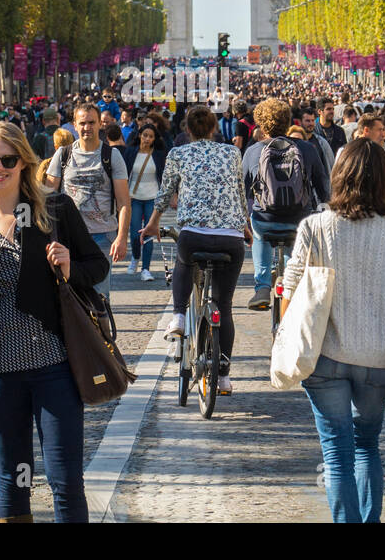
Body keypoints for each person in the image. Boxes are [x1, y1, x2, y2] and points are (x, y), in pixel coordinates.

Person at [0, 122, 109, 523]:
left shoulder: (53, 211)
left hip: (55, 368)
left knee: (65, 480)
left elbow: (98, 265)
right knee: (14, 480)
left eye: (7, 160)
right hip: (0, 377)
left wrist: (70, 268)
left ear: (23, 162)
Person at [284, 138, 385, 522]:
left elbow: (289, 289)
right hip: (377, 358)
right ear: (379, 183)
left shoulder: (314, 227)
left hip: (323, 356)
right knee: (367, 446)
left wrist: (287, 341)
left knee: (336, 454)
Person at [141, 106, 249, 392]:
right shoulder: (231, 153)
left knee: (184, 262)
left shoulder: (178, 154)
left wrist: (153, 224)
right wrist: (246, 227)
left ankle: (178, 315)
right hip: (230, 238)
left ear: (187, 129)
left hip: (194, 235)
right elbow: (239, 193)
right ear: (215, 128)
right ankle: (223, 376)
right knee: (224, 307)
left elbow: (165, 194)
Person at [242, 98, 330, 311]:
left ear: (261, 124)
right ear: (288, 121)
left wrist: (244, 218)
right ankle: (295, 286)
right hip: (298, 218)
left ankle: (262, 286)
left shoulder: (253, 151)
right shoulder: (307, 148)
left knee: (259, 232)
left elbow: (242, 190)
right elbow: (323, 187)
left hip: (265, 218)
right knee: (296, 245)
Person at [45, 103, 130, 303]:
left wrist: (121, 238)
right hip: (68, 237)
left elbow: (124, 202)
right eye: (82, 123)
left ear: (100, 124)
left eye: (92, 122)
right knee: (68, 297)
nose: (87, 127)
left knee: (99, 298)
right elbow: (47, 196)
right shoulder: (63, 154)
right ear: (74, 125)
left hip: (101, 236)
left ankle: (101, 335)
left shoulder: (112, 156)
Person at [122, 123, 165, 282]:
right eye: (145, 135)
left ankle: (146, 269)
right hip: (133, 197)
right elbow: (123, 174)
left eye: (151, 136)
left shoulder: (159, 154)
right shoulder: (130, 152)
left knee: (148, 233)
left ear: (154, 139)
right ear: (139, 135)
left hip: (152, 198)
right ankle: (135, 256)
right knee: (134, 233)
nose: (147, 138)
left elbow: (164, 176)